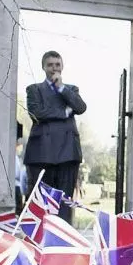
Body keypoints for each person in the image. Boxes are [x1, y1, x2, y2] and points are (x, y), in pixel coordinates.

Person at [24, 50, 87, 223]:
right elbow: (37, 113)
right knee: (40, 203)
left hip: (67, 154)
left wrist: (62, 89)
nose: (54, 68)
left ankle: (62, 242)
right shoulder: (34, 90)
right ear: (43, 67)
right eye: (50, 65)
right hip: (41, 155)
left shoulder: (71, 90)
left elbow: (80, 107)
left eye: (57, 65)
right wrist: (64, 112)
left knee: (64, 204)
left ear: (62, 67)